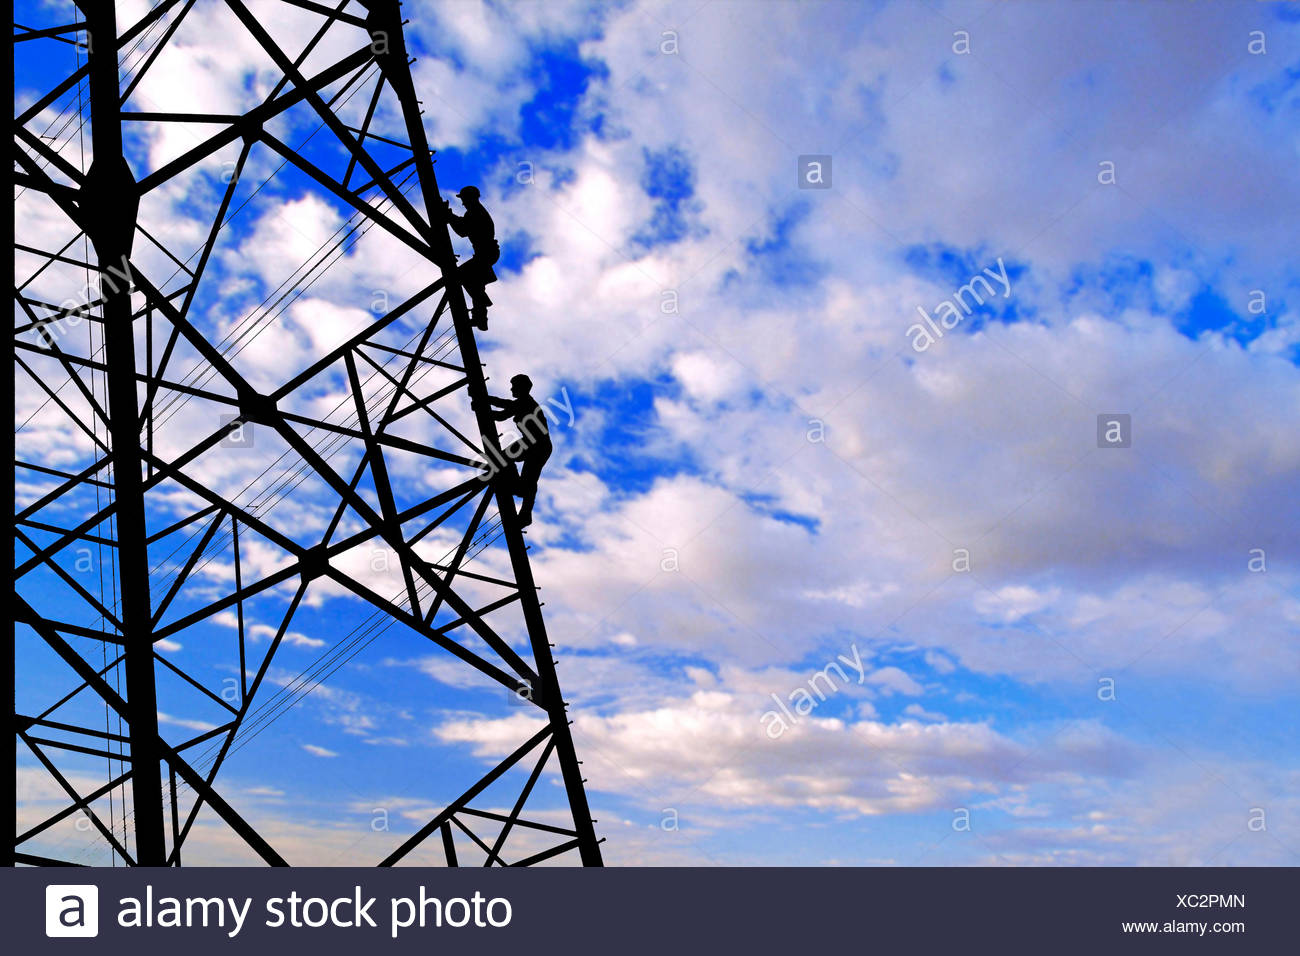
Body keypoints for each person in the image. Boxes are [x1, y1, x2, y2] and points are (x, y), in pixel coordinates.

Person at [477, 374, 551, 527]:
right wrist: (484, 399)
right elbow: (506, 404)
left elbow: (502, 414)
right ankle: (516, 492)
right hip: (532, 443)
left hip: (538, 445)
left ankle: (524, 512)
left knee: (525, 482)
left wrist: (482, 405)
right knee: (508, 465)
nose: (511, 388)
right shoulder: (523, 402)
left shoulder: (526, 403)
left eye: (514, 386)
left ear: (522, 388)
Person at [443, 185, 498, 330]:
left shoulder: (476, 213)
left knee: (461, 275)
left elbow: (462, 230)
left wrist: (448, 216)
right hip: (487, 254)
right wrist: (449, 216)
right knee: (475, 283)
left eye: (464, 199)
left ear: (470, 198)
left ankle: (482, 305)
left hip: (486, 254)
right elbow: (463, 226)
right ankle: (480, 318)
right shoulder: (475, 212)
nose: (463, 203)